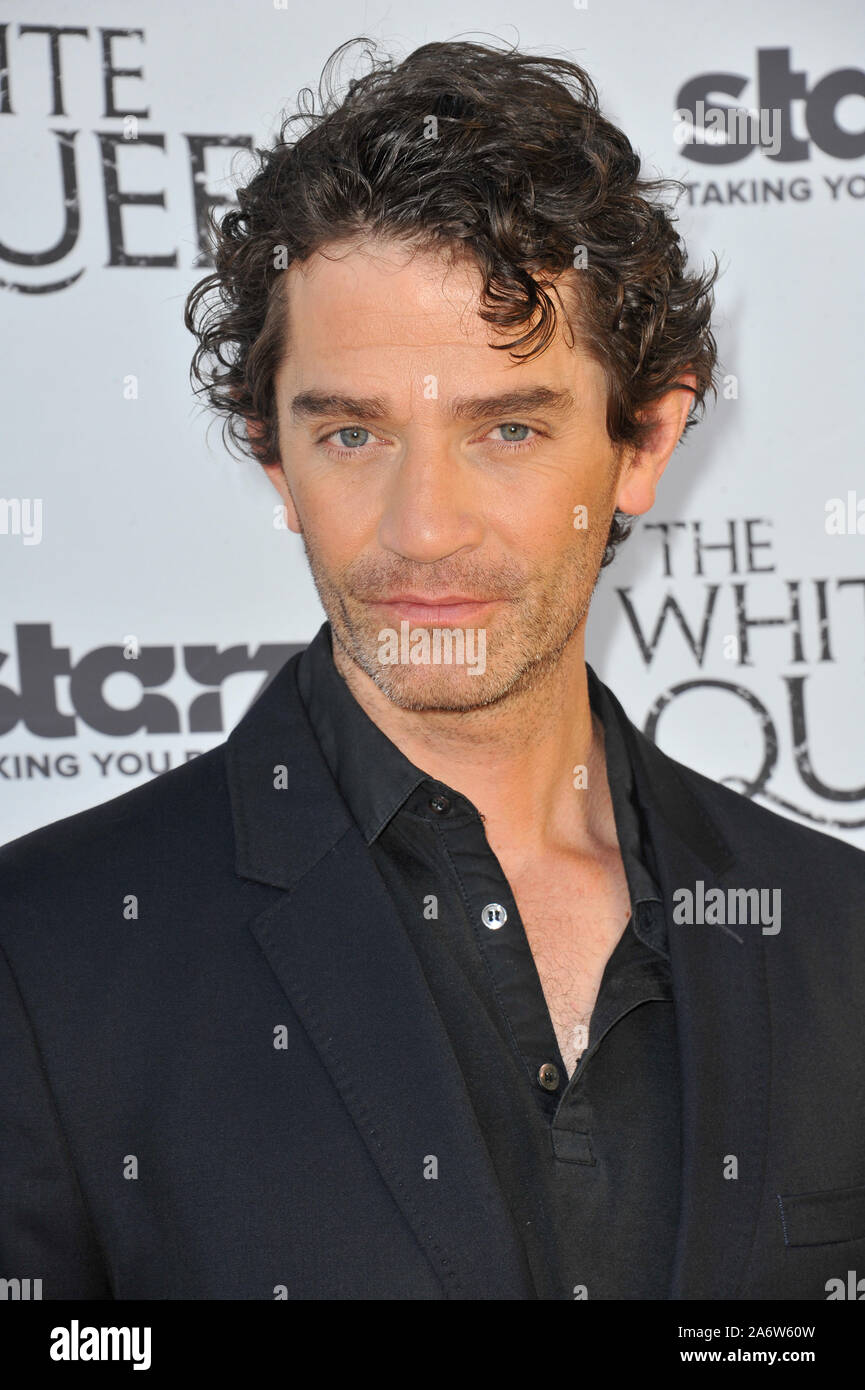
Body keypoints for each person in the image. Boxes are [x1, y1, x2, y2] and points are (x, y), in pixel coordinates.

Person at [1, 37, 863, 1302]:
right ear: (274, 460)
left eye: (505, 428)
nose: (424, 527)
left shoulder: (836, 931)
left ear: (644, 442)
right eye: (353, 433)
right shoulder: (45, 954)